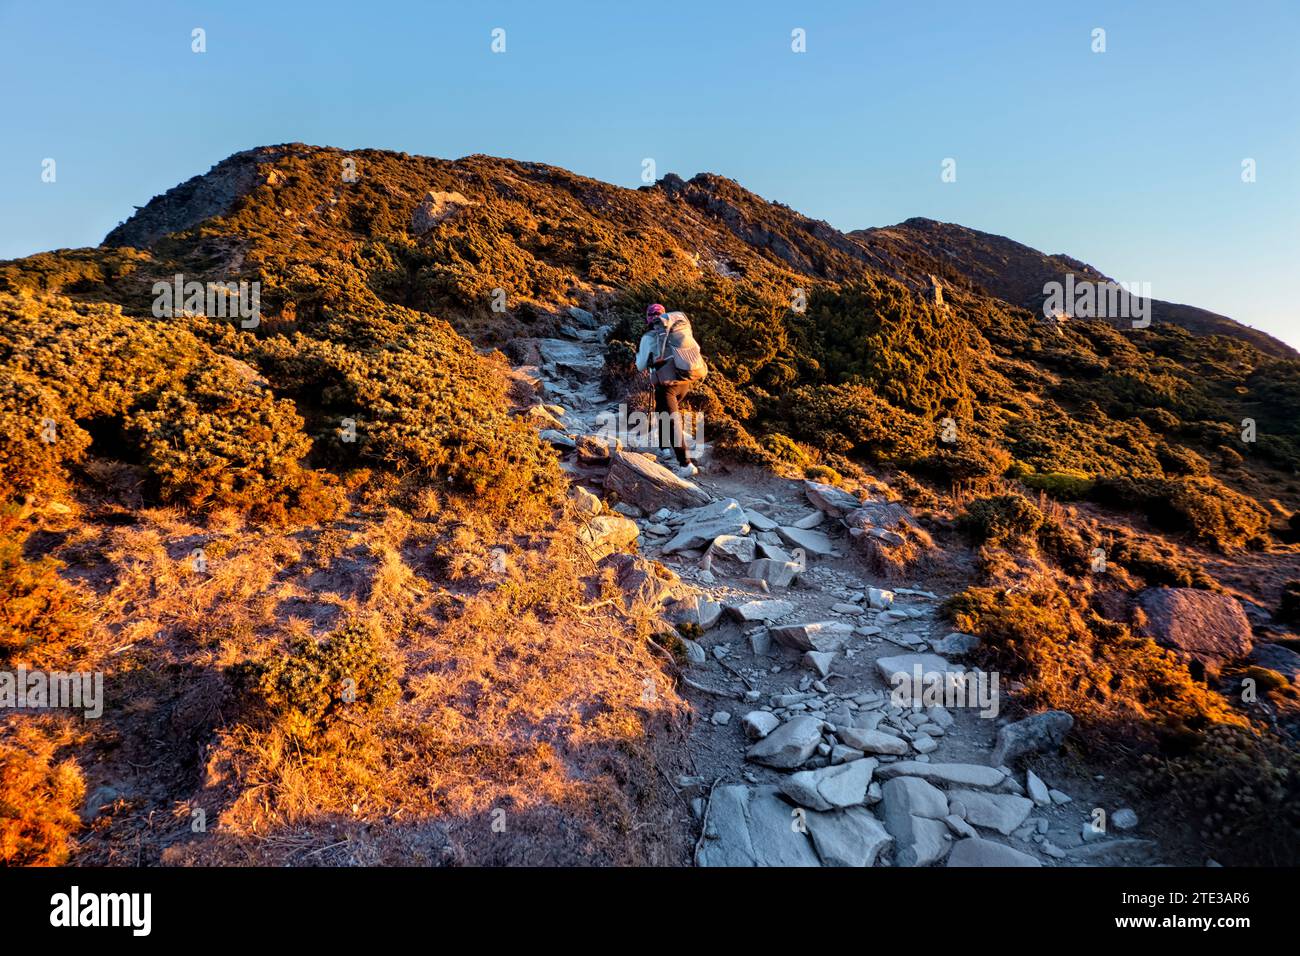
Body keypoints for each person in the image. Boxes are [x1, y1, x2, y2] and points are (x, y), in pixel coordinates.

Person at [635, 303, 707, 478]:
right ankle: (664, 448)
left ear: (648, 319)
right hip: (684, 382)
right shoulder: (677, 330)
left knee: (672, 420)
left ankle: (685, 464)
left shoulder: (649, 337)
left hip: (666, 384)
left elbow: (640, 365)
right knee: (662, 411)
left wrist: (640, 356)